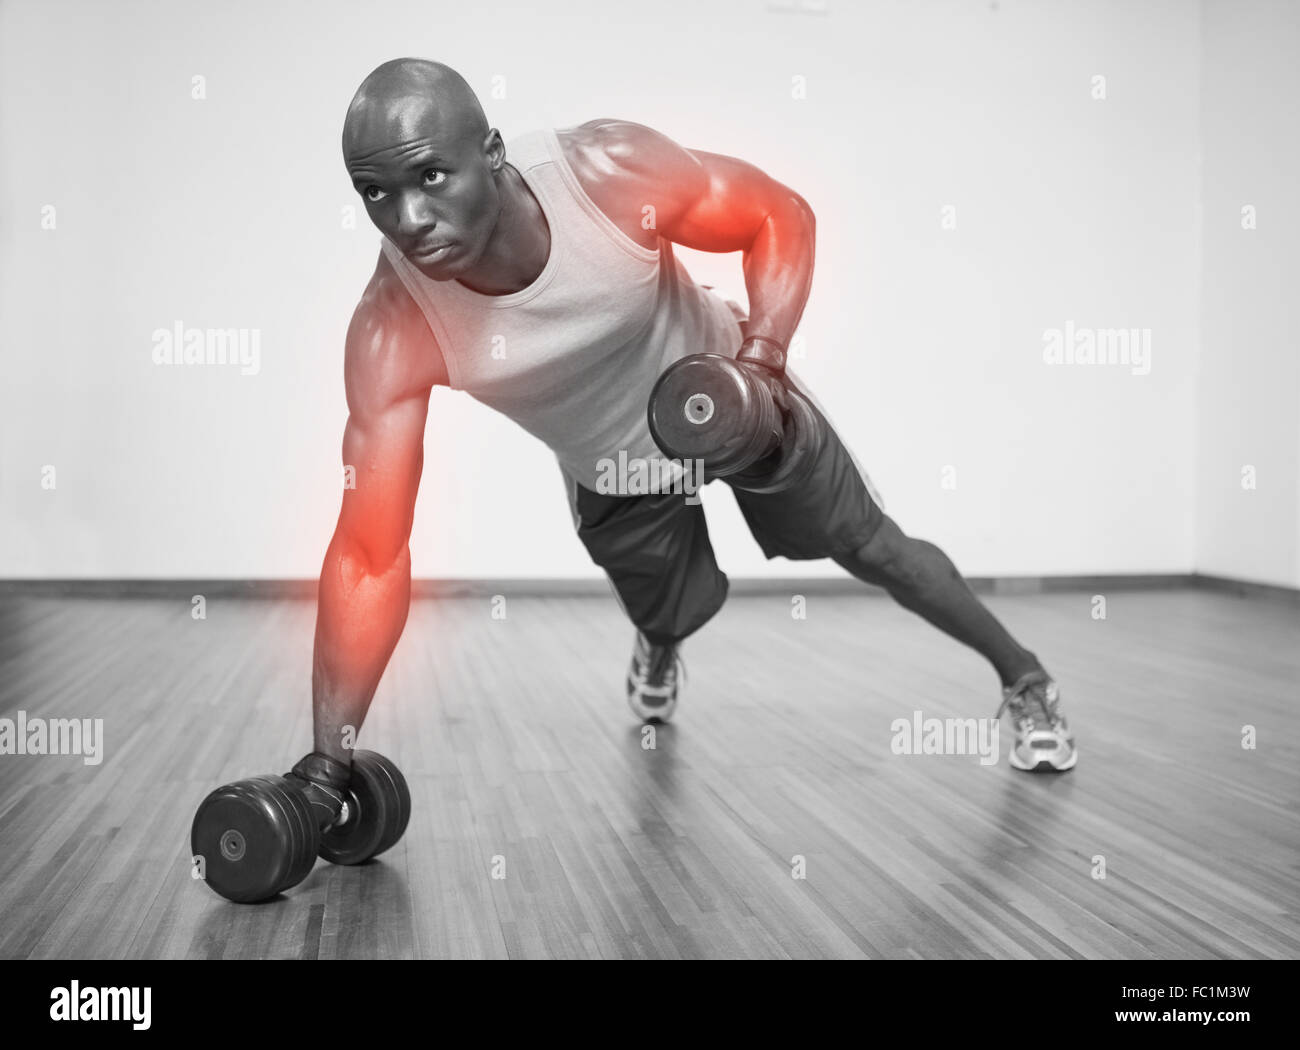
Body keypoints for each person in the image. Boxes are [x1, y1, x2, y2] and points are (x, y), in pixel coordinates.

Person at [286, 58, 1077, 813]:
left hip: (735, 402)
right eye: (375, 193)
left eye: (430, 176)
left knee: (876, 548)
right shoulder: (397, 326)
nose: (410, 219)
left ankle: (1024, 678)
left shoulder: (605, 175)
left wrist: (763, 364)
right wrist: (329, 760)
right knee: (667, 610)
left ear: (490, 153)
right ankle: (661, 640)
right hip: (613, 468)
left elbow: (780, 214)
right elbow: (369, 552)